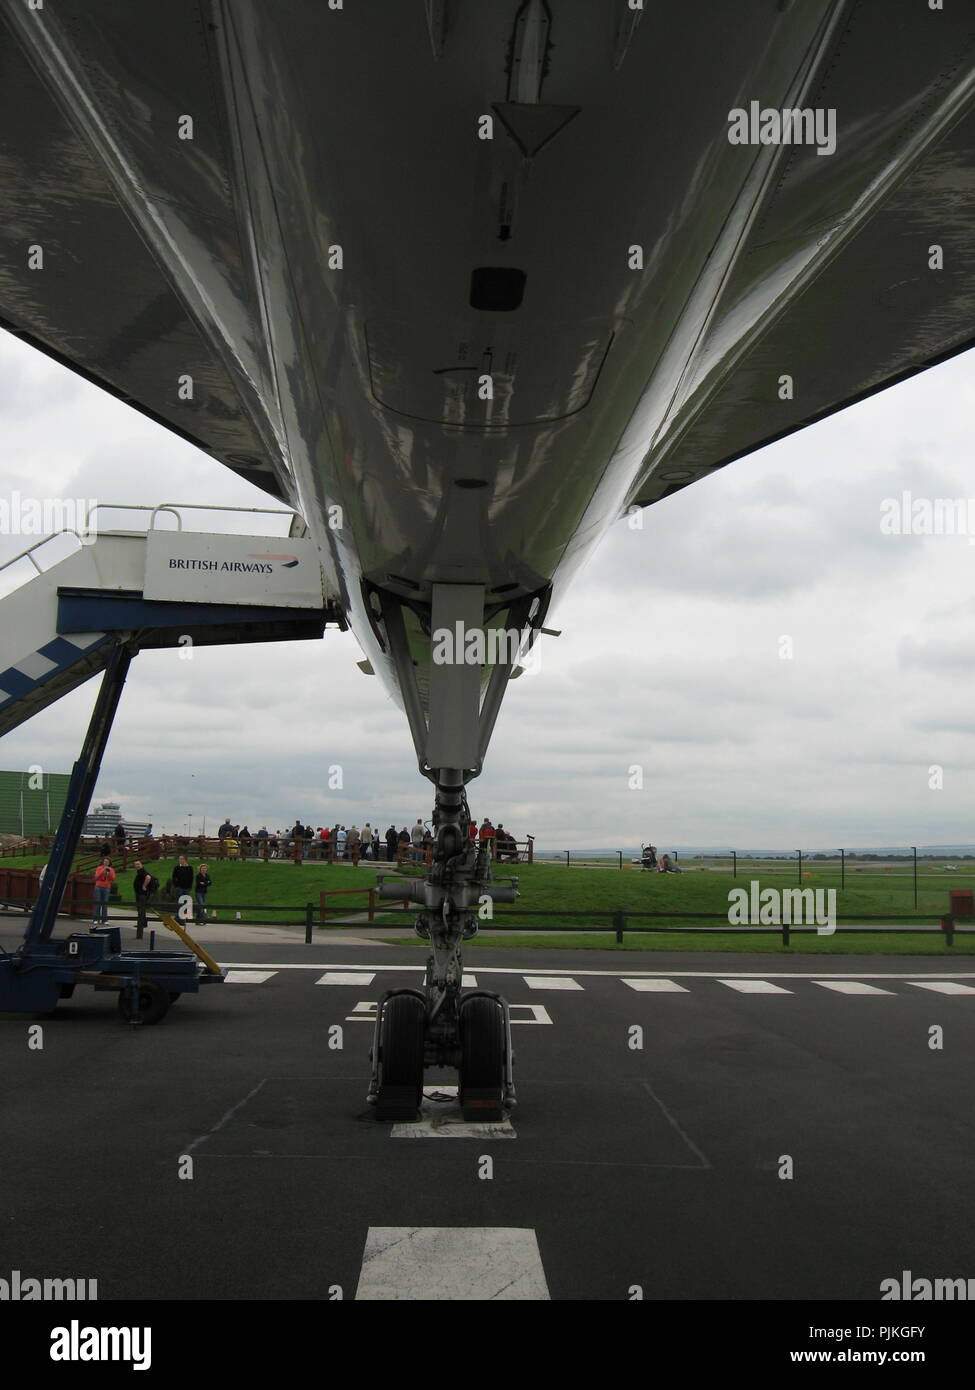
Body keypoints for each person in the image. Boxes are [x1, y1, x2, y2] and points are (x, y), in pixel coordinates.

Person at [133, 859, 155, 937]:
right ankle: (143, 923)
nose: (137, 866)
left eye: (138, 864)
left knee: (141, 908)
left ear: (142, 865)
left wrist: (144, 886)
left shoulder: (142, 871)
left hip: (142, 894)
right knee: (141, 909)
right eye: (136, 864)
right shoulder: (140, 872)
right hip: (140, 893)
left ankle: (141, 924)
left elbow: (148, 877)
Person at [93, 855, 115, 926]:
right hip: (98, 887)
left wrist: (109, 873)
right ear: (103, 862)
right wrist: (103, 871)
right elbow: (96, 877)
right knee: (98, 903)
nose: (106, 863)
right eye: (105, 861)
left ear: (109, 863)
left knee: (105, 904)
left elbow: (113, 879)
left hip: (106, 887)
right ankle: (96, 919)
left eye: (107, 862)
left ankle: (105, 920)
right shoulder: (99, 868)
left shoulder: (111, 869)